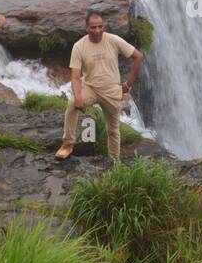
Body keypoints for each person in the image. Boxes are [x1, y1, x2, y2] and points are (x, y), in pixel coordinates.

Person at [55, 11, 142, 161]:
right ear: (87, 28)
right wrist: (78, 98)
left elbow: (138, 57)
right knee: (71, 104)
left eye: (100, 27)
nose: (97, 31)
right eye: (93, 27)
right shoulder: (79, 46)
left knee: (113, 131)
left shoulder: (114, 40)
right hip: (91, 89)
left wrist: (128, 84)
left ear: (104, 27)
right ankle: (67, 144)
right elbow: (75, 76)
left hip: (111, 90)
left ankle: (114, 163)